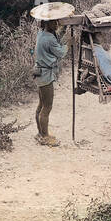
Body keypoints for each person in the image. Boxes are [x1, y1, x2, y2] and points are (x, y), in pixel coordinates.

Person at [33, 18, 67, 146]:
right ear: (47, 23)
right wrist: (69, 44)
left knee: (41, 104)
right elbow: (61, 53)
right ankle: (45, 137)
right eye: (54, 22)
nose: (56, 24)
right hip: (45, 74)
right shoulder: (49, 38)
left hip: (39, 72)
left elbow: (55, 39)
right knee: (47, 106)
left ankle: (40, 134)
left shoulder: (41, 33)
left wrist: (63, 31)